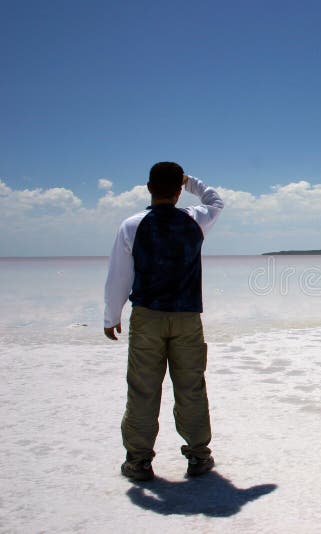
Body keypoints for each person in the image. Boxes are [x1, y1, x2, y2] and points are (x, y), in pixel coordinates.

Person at [103, 162, 224, 481]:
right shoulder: (194, 220)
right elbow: (215, 201)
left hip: (147, 318)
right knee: (191, 387)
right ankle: (198, 455)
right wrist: (191, 181)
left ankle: (139, 461)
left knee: (142, 389)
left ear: (148, 188)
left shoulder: (132, 225)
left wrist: (111, 315)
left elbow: (119, 276)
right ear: (179, 190)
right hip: (187, 318)